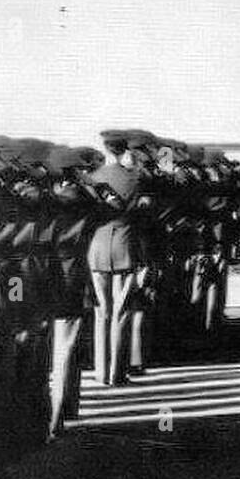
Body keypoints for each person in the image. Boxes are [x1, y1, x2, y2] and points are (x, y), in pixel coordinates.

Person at [85, 136, 148, 386]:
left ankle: (101, 372)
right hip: (125, 246)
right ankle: (117, 373)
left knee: (102, 313)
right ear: (125, 151)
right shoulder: (135, 178)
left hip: (98, 248)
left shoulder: (92, 178)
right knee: (121, 313)